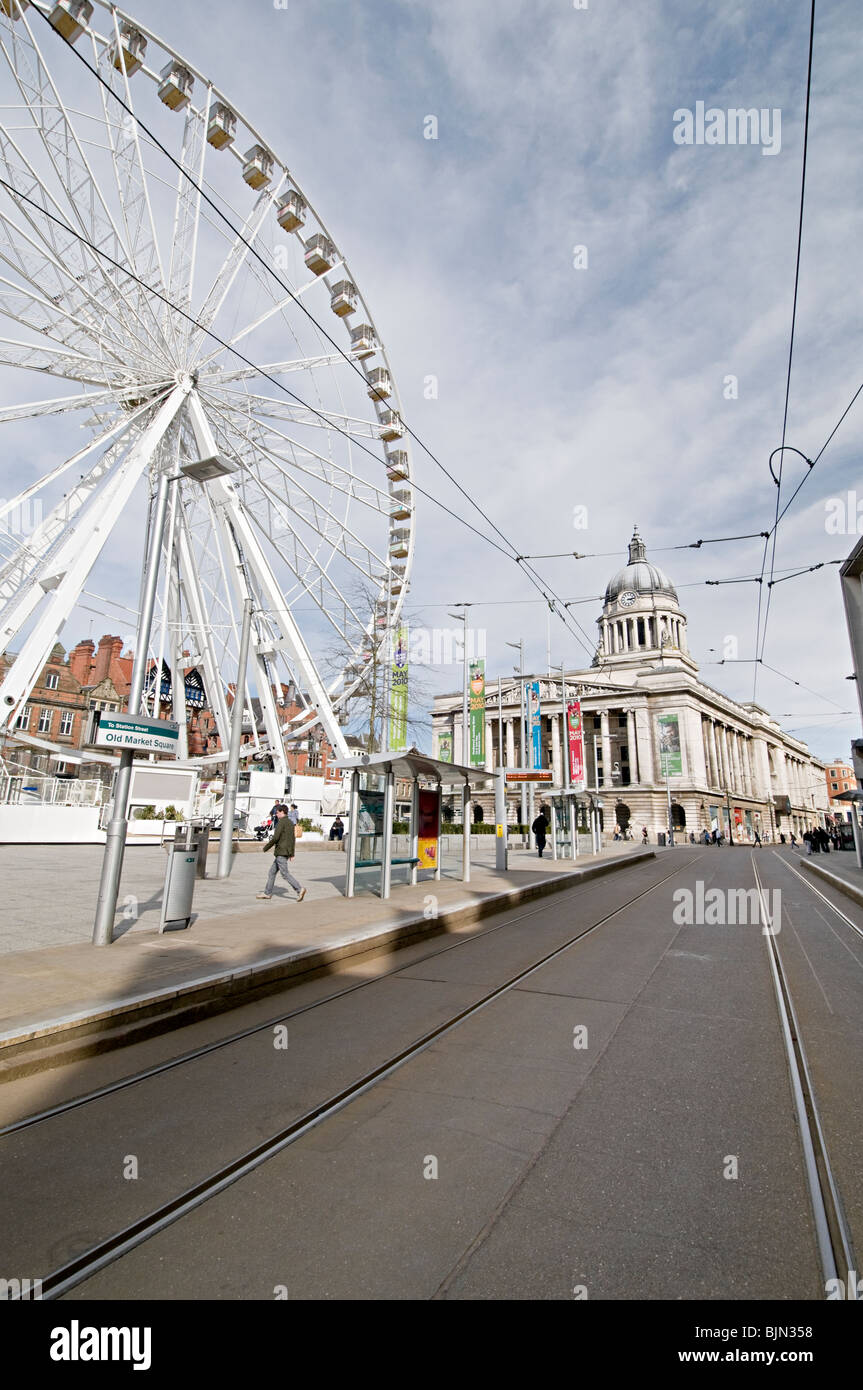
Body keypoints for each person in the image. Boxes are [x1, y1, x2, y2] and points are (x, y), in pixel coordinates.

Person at [257, 805, 306, 901]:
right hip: (286, 852)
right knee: (272, 872)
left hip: (281, 852)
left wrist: (266, 848)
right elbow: (292, 839)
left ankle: (299, 889)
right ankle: (267, 893)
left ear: (282, 812)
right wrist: (292, 853)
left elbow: (275, 838)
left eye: (277, 812)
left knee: (285, 874)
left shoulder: (281, 823)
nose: (276, 814)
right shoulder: (290, 823)